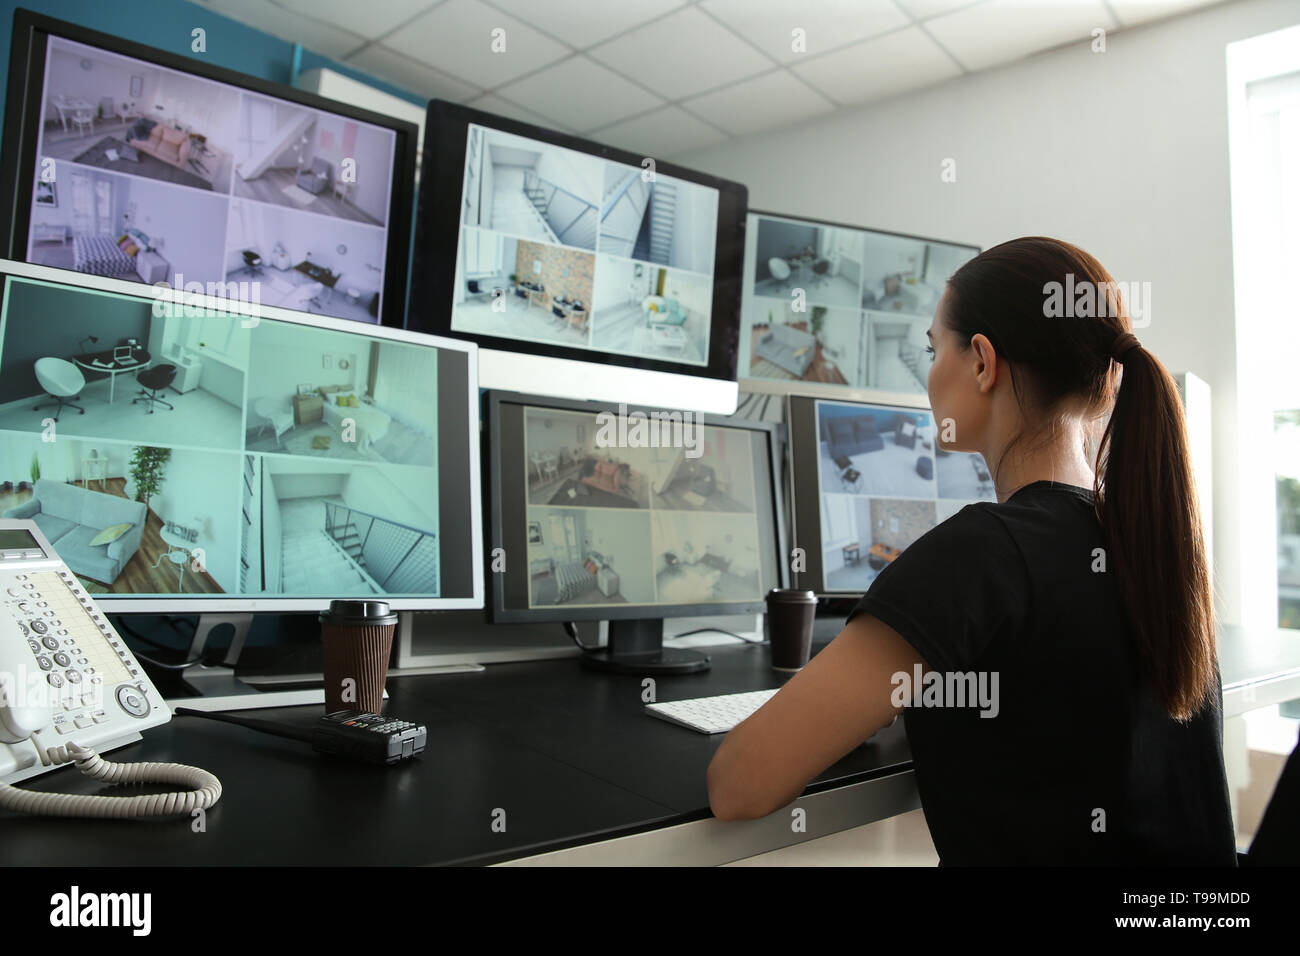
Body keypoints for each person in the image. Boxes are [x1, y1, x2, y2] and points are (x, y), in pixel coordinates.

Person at [707, 237, 1237, 865]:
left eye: (934, 350)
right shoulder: (1149, 542)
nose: (930, 373)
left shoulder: (978, 554)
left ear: (983, 363)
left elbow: (738, 783)